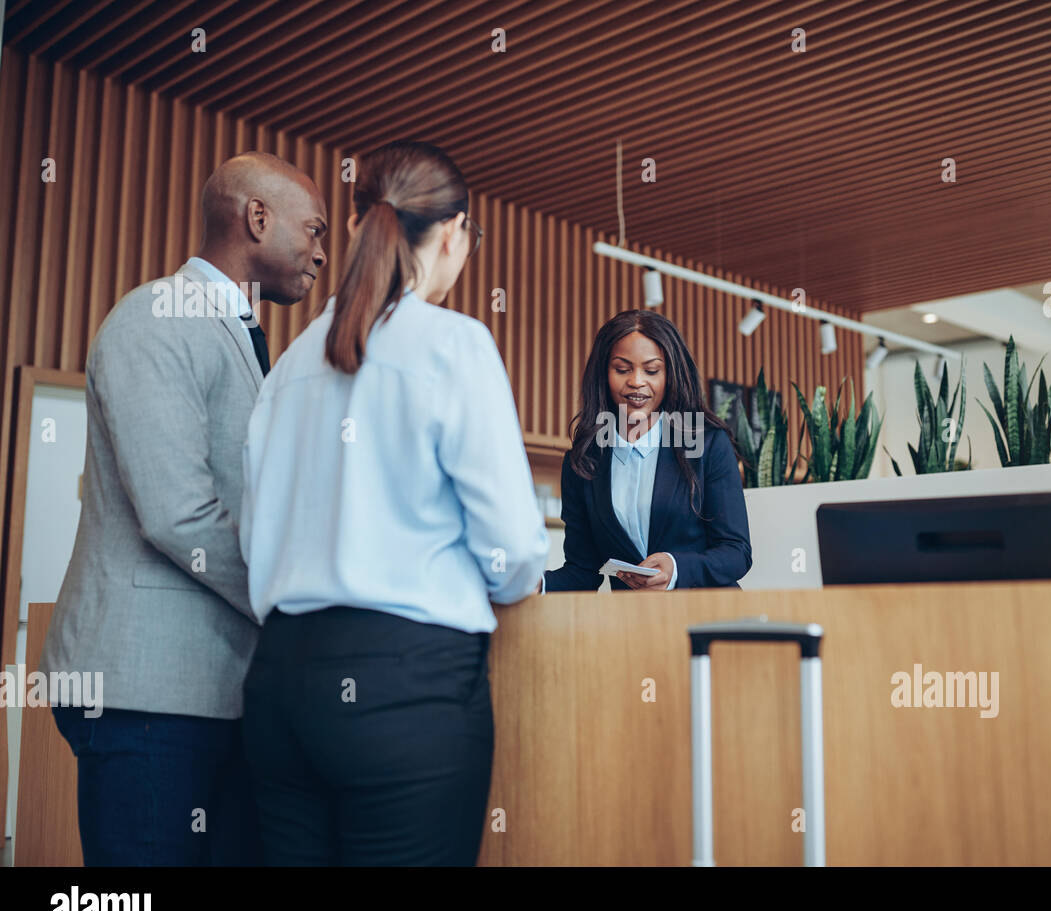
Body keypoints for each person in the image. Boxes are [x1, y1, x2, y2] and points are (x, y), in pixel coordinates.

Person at [239, 140, 547, 866]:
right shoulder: (455, 345)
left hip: (280, 686)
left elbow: (256, 540)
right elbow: (512, 549)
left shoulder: (288, 364)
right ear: (451, 235)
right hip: (406, 689)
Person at [41, 151, 329, 865]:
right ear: (256, 217)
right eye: (314, 230)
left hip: (211, 693)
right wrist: (295, 601)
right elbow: (177, 512)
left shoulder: (242, 334)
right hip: (148, 692)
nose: (322, 252)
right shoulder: (156, 318)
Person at [542, 309, 751, 592]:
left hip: (706, 617)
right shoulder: (584, 462)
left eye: (652, 370)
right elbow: (583, 570)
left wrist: (675, 568)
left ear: (670, 374)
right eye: (622, 369)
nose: (637, 381)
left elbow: (736, 552)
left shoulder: (707, 444)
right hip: (633, 625)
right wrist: (537, 583)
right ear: (603, 374)